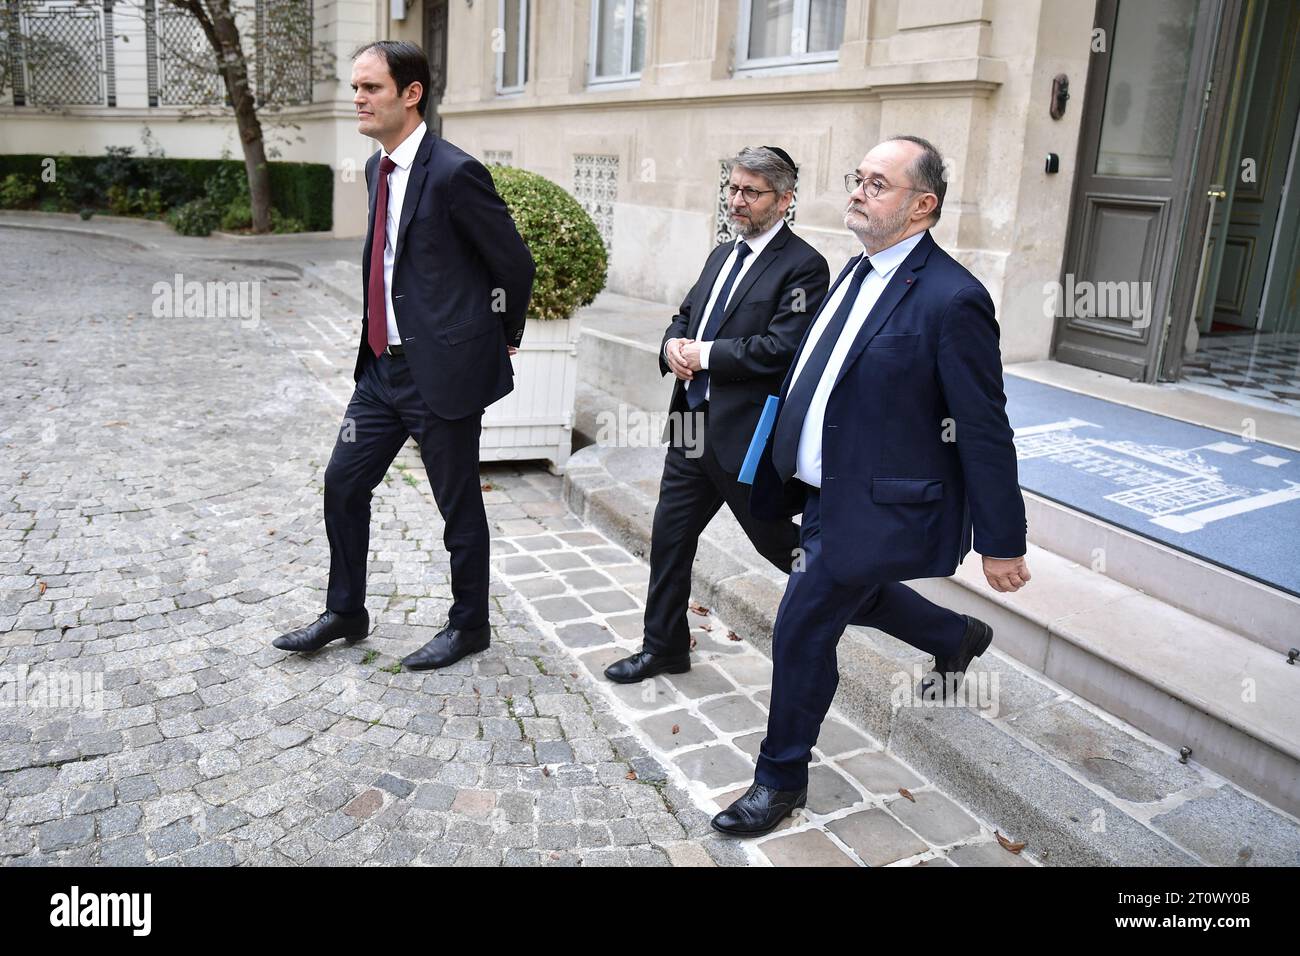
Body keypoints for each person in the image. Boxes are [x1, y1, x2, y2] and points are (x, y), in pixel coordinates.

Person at [711, 135, 1031, 836]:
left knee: (801, 626)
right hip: (820, 493)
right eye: (858, 178)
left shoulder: (954, 299)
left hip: (877, 503)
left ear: (923, 206)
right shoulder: (856, 272)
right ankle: (957, 634)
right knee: (853, 595)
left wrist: (1002, 541)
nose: (857, 190)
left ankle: (779, 779)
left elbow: (982, 428)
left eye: (877, 184)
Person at [272, 41, 535, 671]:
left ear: (410, 94)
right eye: (355, 87)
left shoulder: (454, 173)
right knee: (343, 483)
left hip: (440, 376)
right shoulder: (377, 169)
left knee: (456, 508)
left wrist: (502, 335)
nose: (357, 99)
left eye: (370, 89)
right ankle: (346, 610)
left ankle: (469, 625)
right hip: (381, 371)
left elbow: (513, 264)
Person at [604, 147, 830, 685]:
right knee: (669, 537)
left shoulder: (804, 266)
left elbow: (780, 347)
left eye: (751, 192)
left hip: (744, 439)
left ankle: (939, 630)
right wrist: (672, 348)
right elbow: (686, 315)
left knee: (784, 551)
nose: (736, 200)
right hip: (691, 423)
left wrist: (702, 354)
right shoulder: (721, 255)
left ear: (785, 200)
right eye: (732, 188)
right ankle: (663, 646)